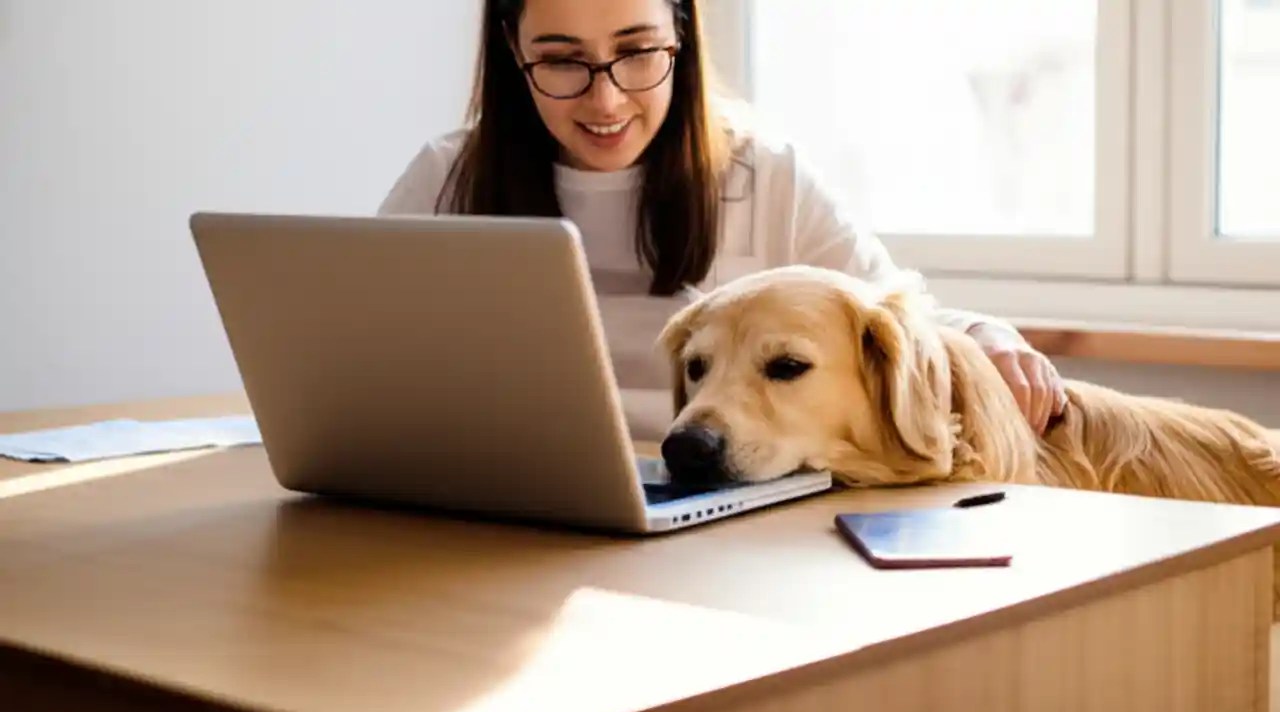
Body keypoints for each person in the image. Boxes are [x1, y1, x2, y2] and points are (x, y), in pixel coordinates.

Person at [377, 0, 1066, 438]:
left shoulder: (766, 177)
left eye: (638, 52)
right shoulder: (446, 178)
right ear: (512, 51)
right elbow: (356, 355)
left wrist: (988, 334)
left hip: (717, 506)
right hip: (495, 511)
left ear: (681, 36)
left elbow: (897, 319)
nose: (607, 98)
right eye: (561, 61)